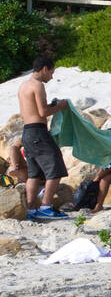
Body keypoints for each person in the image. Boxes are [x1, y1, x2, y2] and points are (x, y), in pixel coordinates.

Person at [17, 55, 70, 220]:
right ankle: (46, 207)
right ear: (45, 68)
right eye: (51, 73)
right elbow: (42, 113)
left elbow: (32, 109)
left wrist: (51, 106)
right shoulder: (38, 85)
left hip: (27, 132)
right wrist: (60, 106)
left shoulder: (23, 86)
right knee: (56, 168)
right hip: (38, 132)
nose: (51, 77)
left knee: (34, 174)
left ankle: (31, 210)